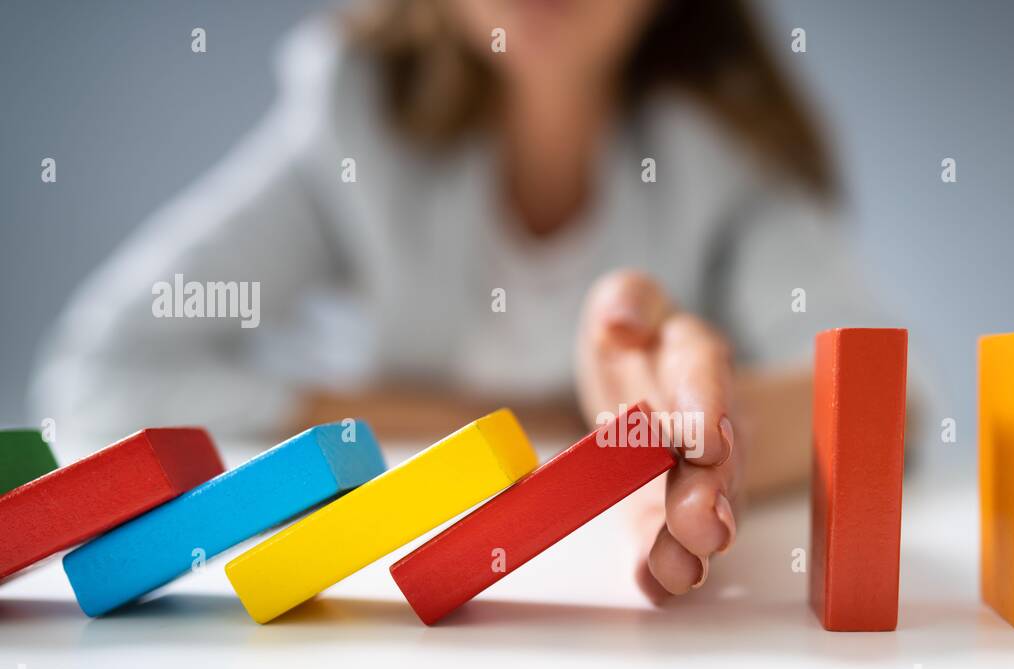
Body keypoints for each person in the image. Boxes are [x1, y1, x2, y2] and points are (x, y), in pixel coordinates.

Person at [31, 0, 875, 601]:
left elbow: (886, 407)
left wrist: (710, 431)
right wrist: (537, 425)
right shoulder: (358, 112)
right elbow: (104, 370)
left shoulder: (725, 149)